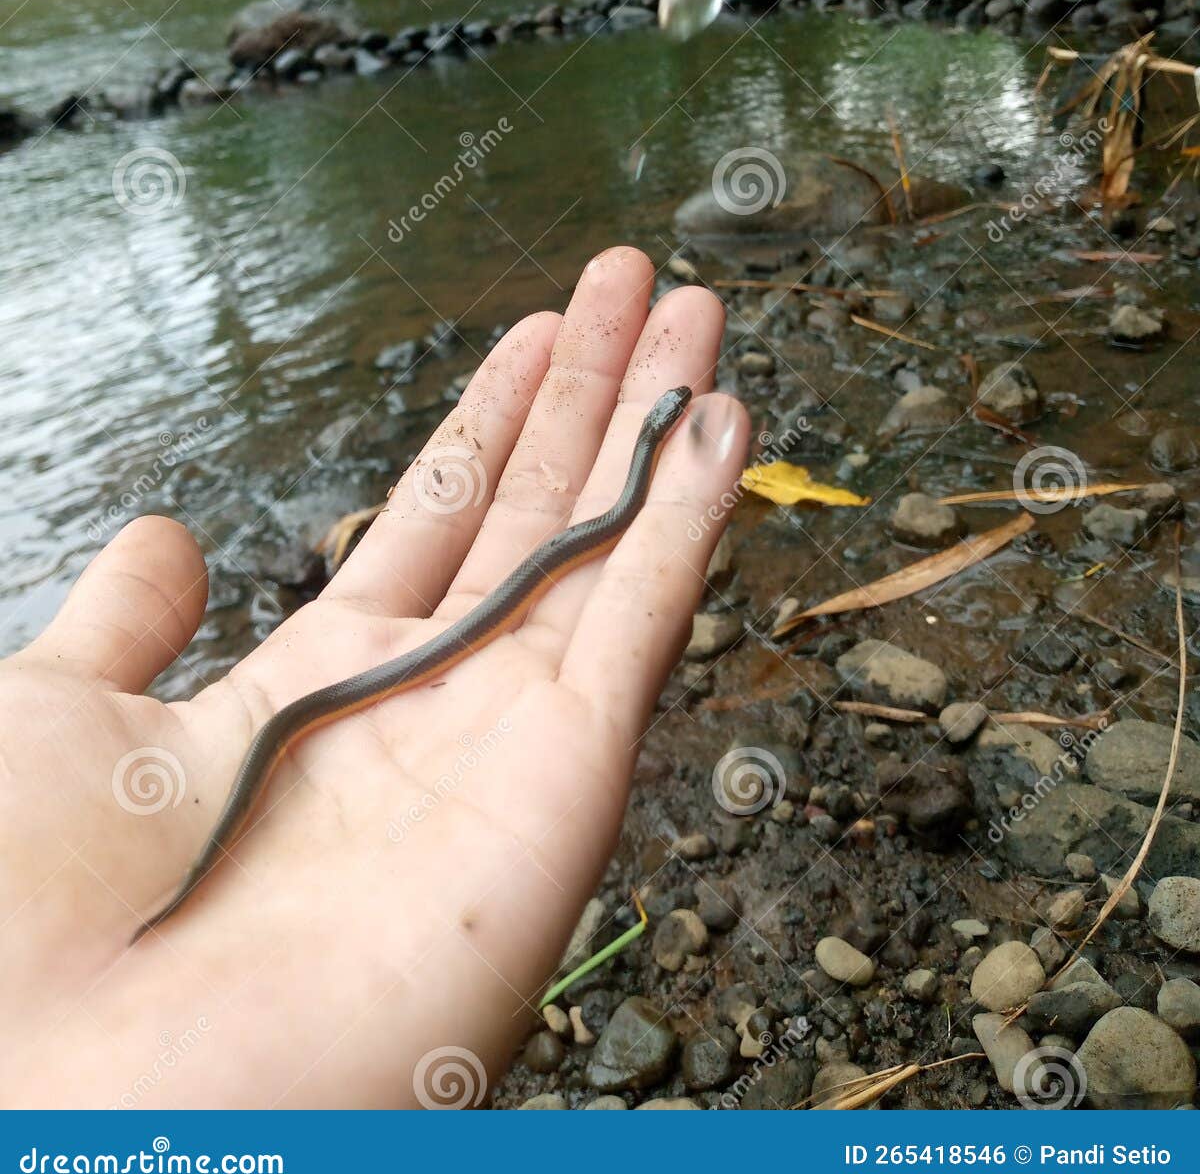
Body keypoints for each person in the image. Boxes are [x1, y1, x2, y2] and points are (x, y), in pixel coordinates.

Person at [0, 247, 748, 1108]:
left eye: (662, 417)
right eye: (668, 414)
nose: (670, 414)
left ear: (652, 430)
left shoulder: (624, 497)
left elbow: (614, 519)